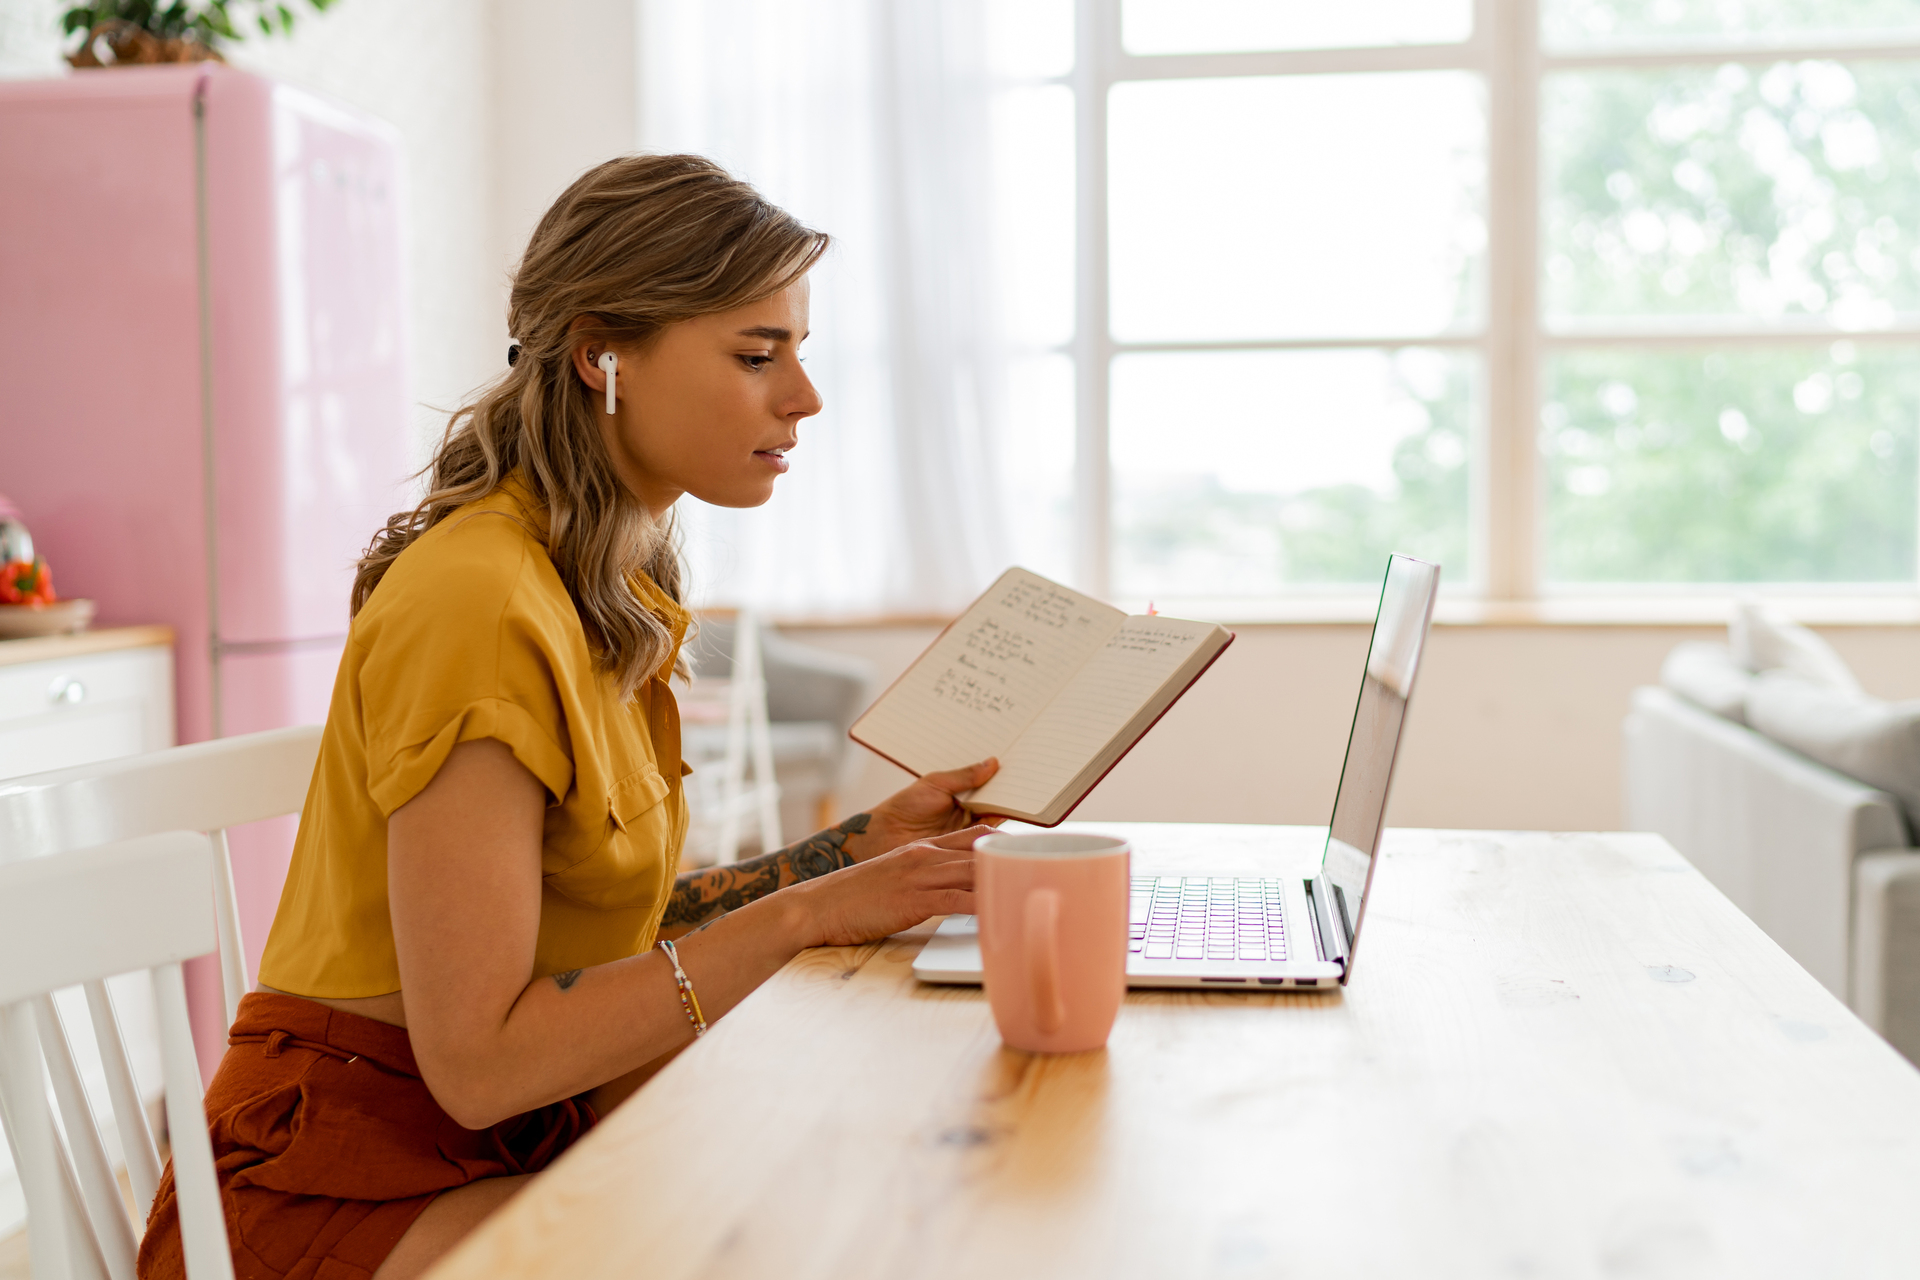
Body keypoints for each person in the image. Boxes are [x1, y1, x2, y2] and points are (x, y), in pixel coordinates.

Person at [137, 154, 998, 1280]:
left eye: (798, 349)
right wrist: (803, 916)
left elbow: (591, 937)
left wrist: (850, 853)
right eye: (756, 352)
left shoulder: (601, 582)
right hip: (339, 1185)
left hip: (500, 1141)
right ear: (603, 355)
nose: (804, 396)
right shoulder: (482, 602)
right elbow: (484, 1060)